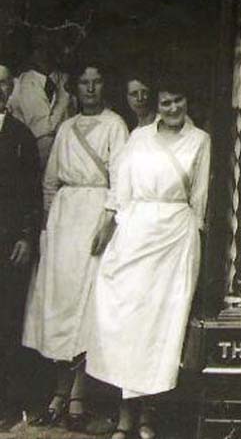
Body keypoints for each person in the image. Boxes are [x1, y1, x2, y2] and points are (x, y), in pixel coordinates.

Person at [87, 75, 210, 439]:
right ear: (155, 106)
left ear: (187, 101)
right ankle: (125, 414)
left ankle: (147, 418)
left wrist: (194, 242)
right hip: (135, 233)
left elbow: (199, 200)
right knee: (128, 323)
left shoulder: (200, 140)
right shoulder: (138, 138)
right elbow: (120, 191)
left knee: (161, 328)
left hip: (174, 237)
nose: (173, 109)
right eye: (165, 103)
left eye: (178, 101)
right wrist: (109, 228)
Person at [21, 61, 129, 430]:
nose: (90, 88)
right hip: (65, 221)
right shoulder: (66, 127)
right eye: (84, 83)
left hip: (96, 219)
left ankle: (78, 398)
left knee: (87, 307)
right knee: (60, 305)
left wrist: (108, 222)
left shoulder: (116, 126)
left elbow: (122, 181)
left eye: (97, 82)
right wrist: (49, 227)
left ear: (105, 87)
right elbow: (51, 181)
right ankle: (58, 393)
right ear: (76, 88)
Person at [0, 59, 41, 430]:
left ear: (10, 88)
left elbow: (33, 195)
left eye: (2, 83)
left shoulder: (20, 137)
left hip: (7, 246)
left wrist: (27, 237)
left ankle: (6, 407)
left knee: (7, 323)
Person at [8, 31, 73, 167]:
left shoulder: (69, 81)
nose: (45, 53)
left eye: (49, 46)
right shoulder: (18, 84)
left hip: (68, 158)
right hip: (31, 161)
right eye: (38, 47)